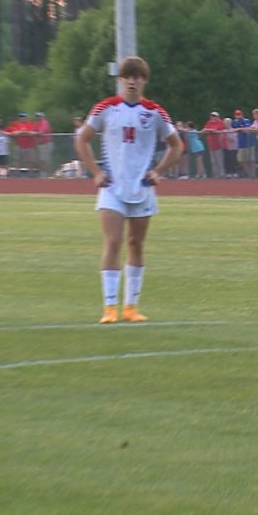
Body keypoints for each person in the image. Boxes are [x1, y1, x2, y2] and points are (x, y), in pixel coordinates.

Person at [74, 57, 184, 324]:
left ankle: (131, 307)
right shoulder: (106, 108)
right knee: (112, 241)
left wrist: (158, 171)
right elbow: (82, 138)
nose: (132, 81)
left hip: (142, 188)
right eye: (127, 77)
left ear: (144, 80)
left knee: (136, 243)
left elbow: (176, 145)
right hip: (112, 187)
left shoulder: (155, 112)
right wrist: (96, 172)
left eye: (138, 77)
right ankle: (109, 307)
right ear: (120, 80)